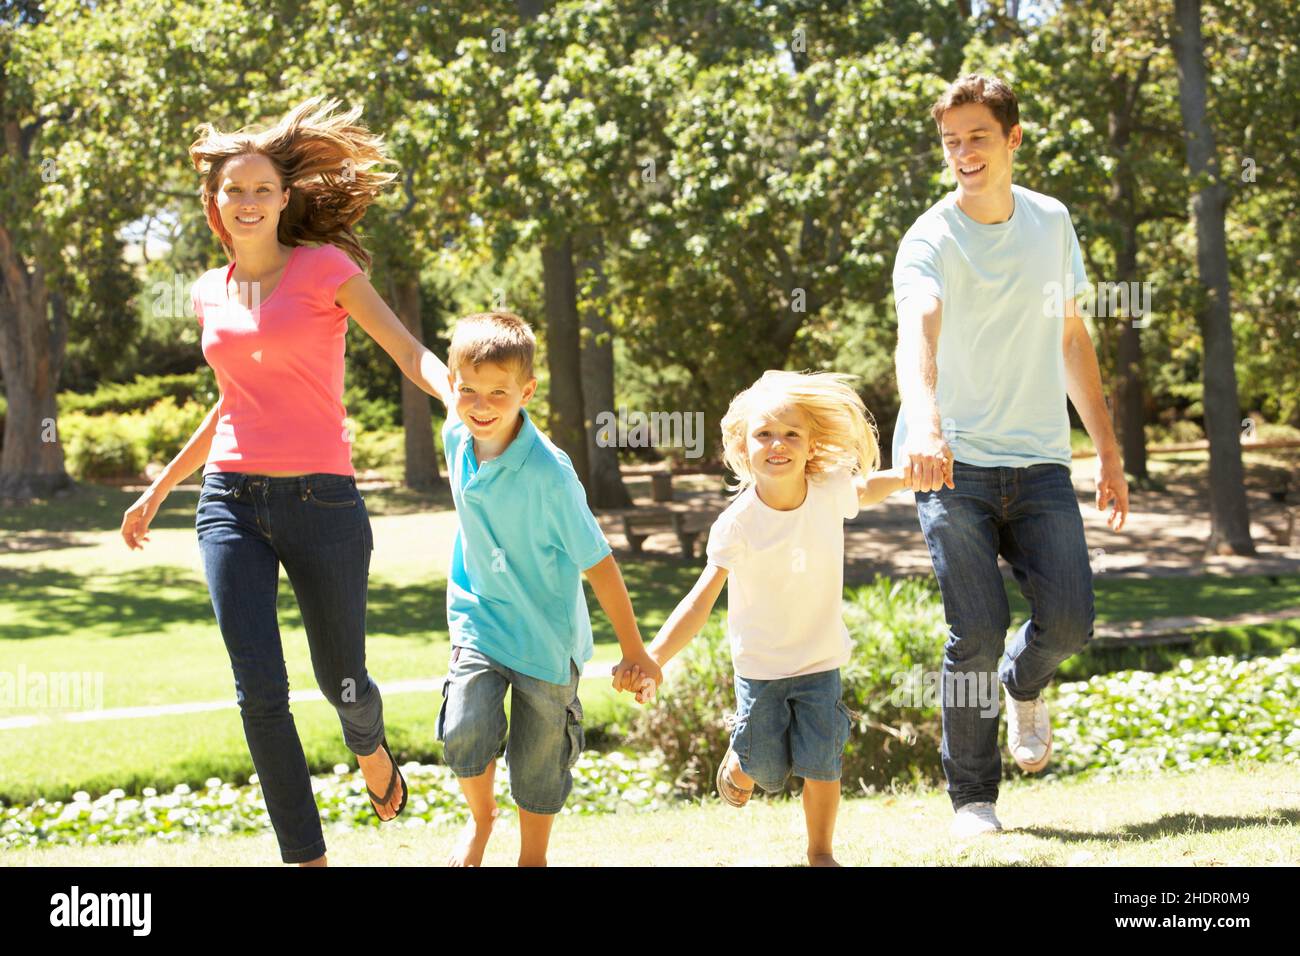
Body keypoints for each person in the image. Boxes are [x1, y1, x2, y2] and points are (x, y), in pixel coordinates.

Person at [119, 97, 459, 866]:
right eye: (232, 190)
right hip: (230, 503)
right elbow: (233, 401)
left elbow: (409, 355)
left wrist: (459, 397)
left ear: (284, 198)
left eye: (261, 189)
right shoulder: (211, 290)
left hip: (323, 502)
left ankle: (370, 749)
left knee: (343, 681)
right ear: (216, 202)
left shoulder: (327, 270)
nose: (246, 201)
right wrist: (162, 487)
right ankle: (306, 856)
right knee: (259, 695)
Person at [891, 74, 1130, 838]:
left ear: (1013, 138)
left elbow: (1069, 338)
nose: (963, 153)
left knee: (1069, 622)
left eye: (978, 137)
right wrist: (926, 423)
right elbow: (916, 333)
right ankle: (972, 799)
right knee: (975, 632)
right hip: (950, 465)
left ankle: (1024, 686)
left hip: (1038, 459)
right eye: (951, 141)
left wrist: (1110, 452)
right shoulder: (929, 237)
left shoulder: (1050, 222)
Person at [623, 370, 910, 867]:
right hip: (761, 668)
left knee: (823, 762)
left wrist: (907, 475)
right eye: (764, 434)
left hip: (820, 661)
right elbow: (699, 601)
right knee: (768, 766)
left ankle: (820, 853)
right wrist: (653, 658)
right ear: (741, 444)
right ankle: (744, 758)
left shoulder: (827, 489)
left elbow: (866, 489)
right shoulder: (736, 524)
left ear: (809, 443)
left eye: (791, 434)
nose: (778, 444)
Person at [434, 311, 661, 867]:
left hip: (546, 641)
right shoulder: (455, 435)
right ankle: (481, 820)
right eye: (468, 390)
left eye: (498, 393)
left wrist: (635, 650)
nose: (481, 406)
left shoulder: (550, 474)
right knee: (464, 727)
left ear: (526, 391)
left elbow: (601, 565)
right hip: (479, 618)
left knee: (539, 763)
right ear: (452, 384)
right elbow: (419, 363)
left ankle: (532, 857)